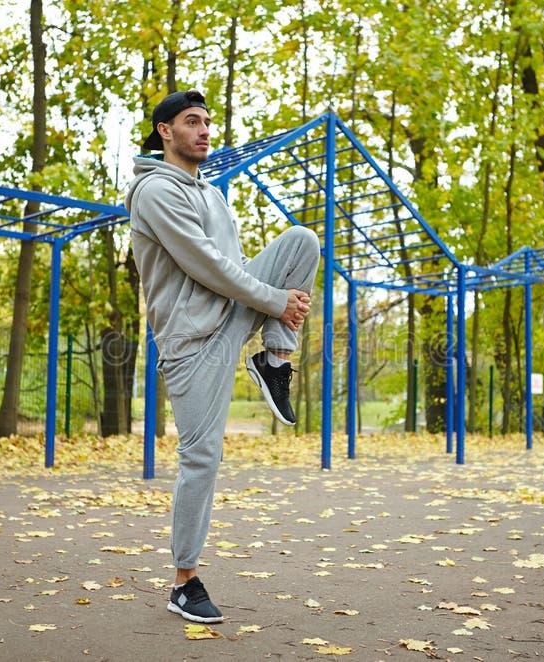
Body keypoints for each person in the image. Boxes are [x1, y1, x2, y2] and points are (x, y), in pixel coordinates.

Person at [125, 90, 321, 623]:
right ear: (165, 131)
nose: (205, 130)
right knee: (201, 457)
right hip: (191, 342)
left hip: (231, 314)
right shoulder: (154, 191)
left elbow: (232, 263)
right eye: (192, 122)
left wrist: (279, 305)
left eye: (208, 122)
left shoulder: (211, 194)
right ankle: (183, 583)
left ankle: (274, 362)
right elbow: (206, 265)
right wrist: (277, 300)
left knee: (301, 242)